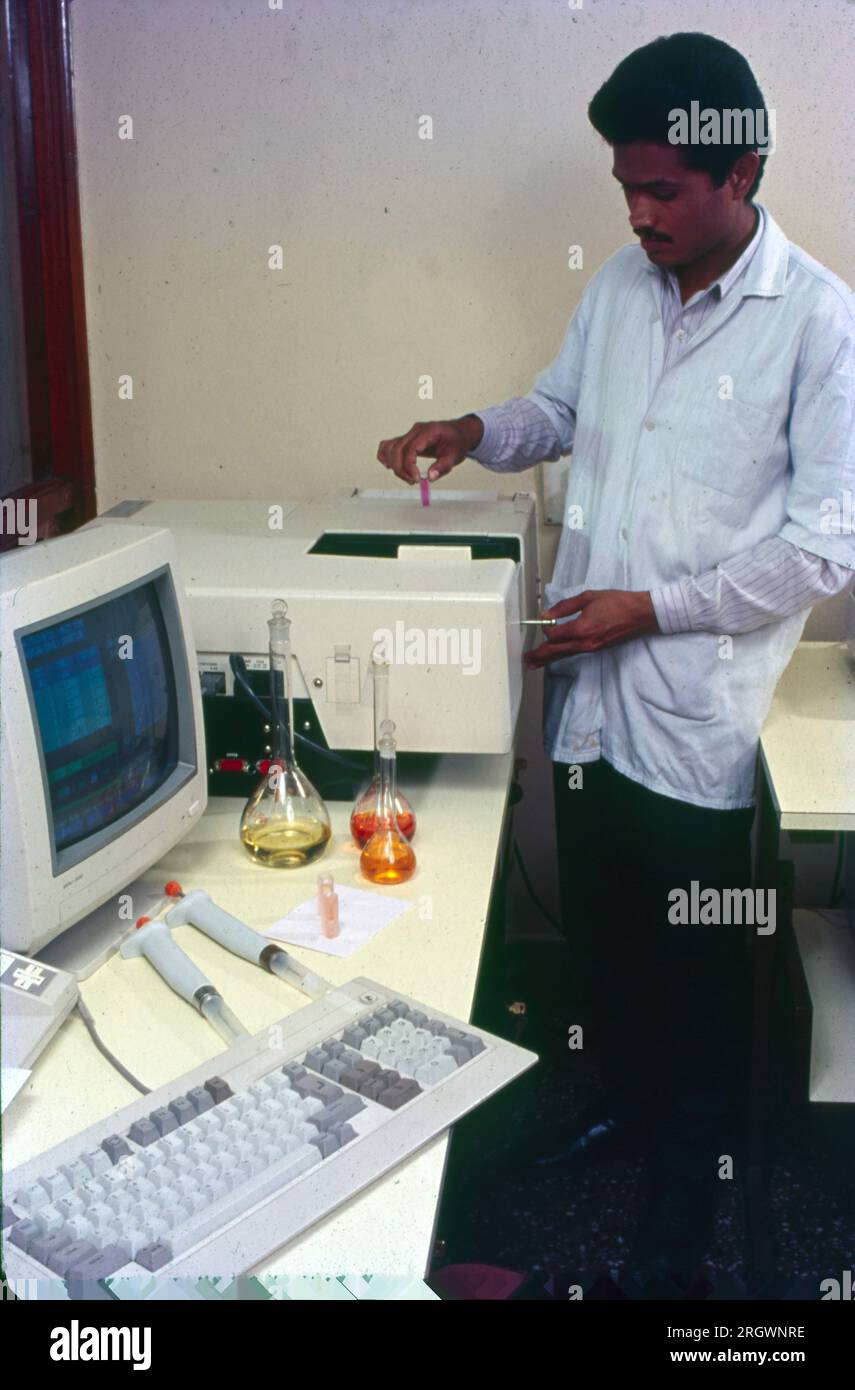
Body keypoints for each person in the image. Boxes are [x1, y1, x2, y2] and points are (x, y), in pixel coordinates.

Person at [377, 32, 855, 1286]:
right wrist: (478, 429)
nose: (639, 214)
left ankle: (677, 1233)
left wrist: (647, 609)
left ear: (743, 169)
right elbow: (567, 413)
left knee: (704, 995)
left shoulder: (820, 325)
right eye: (626, 190)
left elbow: (823, 552)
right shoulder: (617, 288)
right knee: (609, 948)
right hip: (586, 710)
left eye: (663, 191)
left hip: (693, 723)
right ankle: (619, 1112)